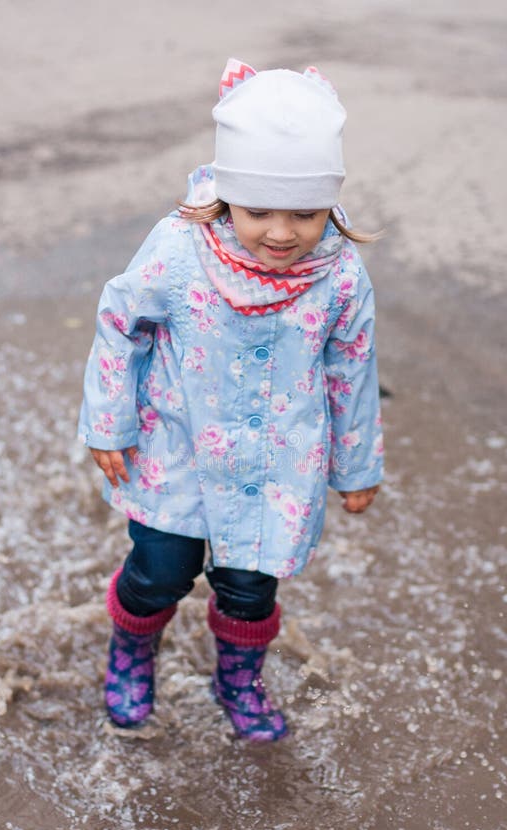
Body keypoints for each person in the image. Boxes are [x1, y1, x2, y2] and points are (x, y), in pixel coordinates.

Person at [78, 59, 384, 742]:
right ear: (226, 197)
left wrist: (357, 467)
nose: (281, 233)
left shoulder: (338, 274)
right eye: (258, 212)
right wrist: (107, 421)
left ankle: (237, 678)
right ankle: (131, 651)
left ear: (330, 205)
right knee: (161, 570)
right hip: (175, 446)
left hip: (279, 462)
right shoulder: (182, 249)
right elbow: (120, 323)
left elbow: (352, 367)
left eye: (305, 213)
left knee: (250, 584)